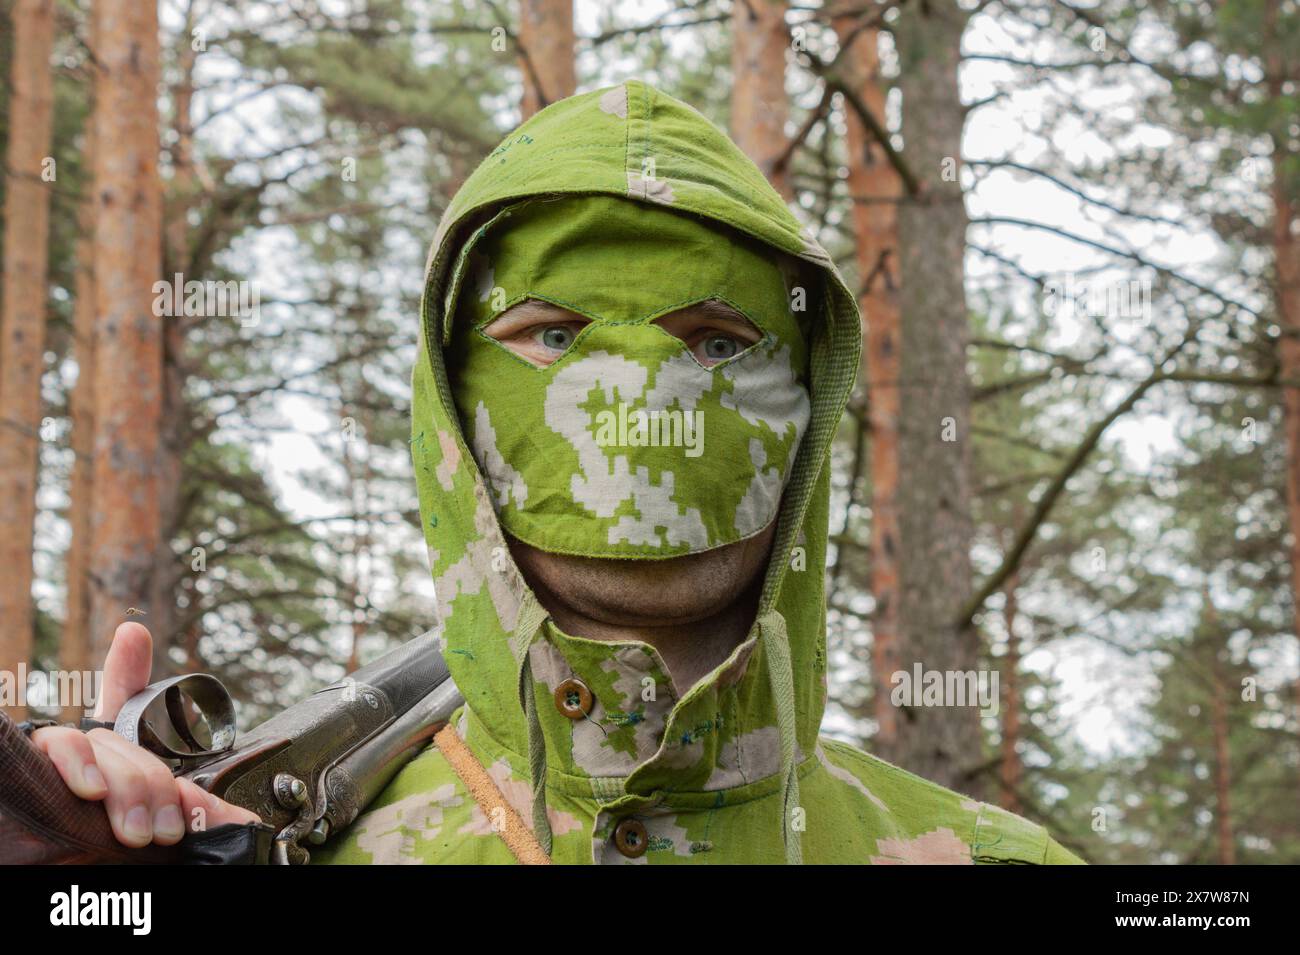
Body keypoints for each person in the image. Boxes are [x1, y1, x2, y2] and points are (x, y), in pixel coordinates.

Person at [33, 81, 1082, 865]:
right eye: (552, 336)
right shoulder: (275, 848)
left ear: (810, 402)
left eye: (716, 341)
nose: (637, 391)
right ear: (451, 404)